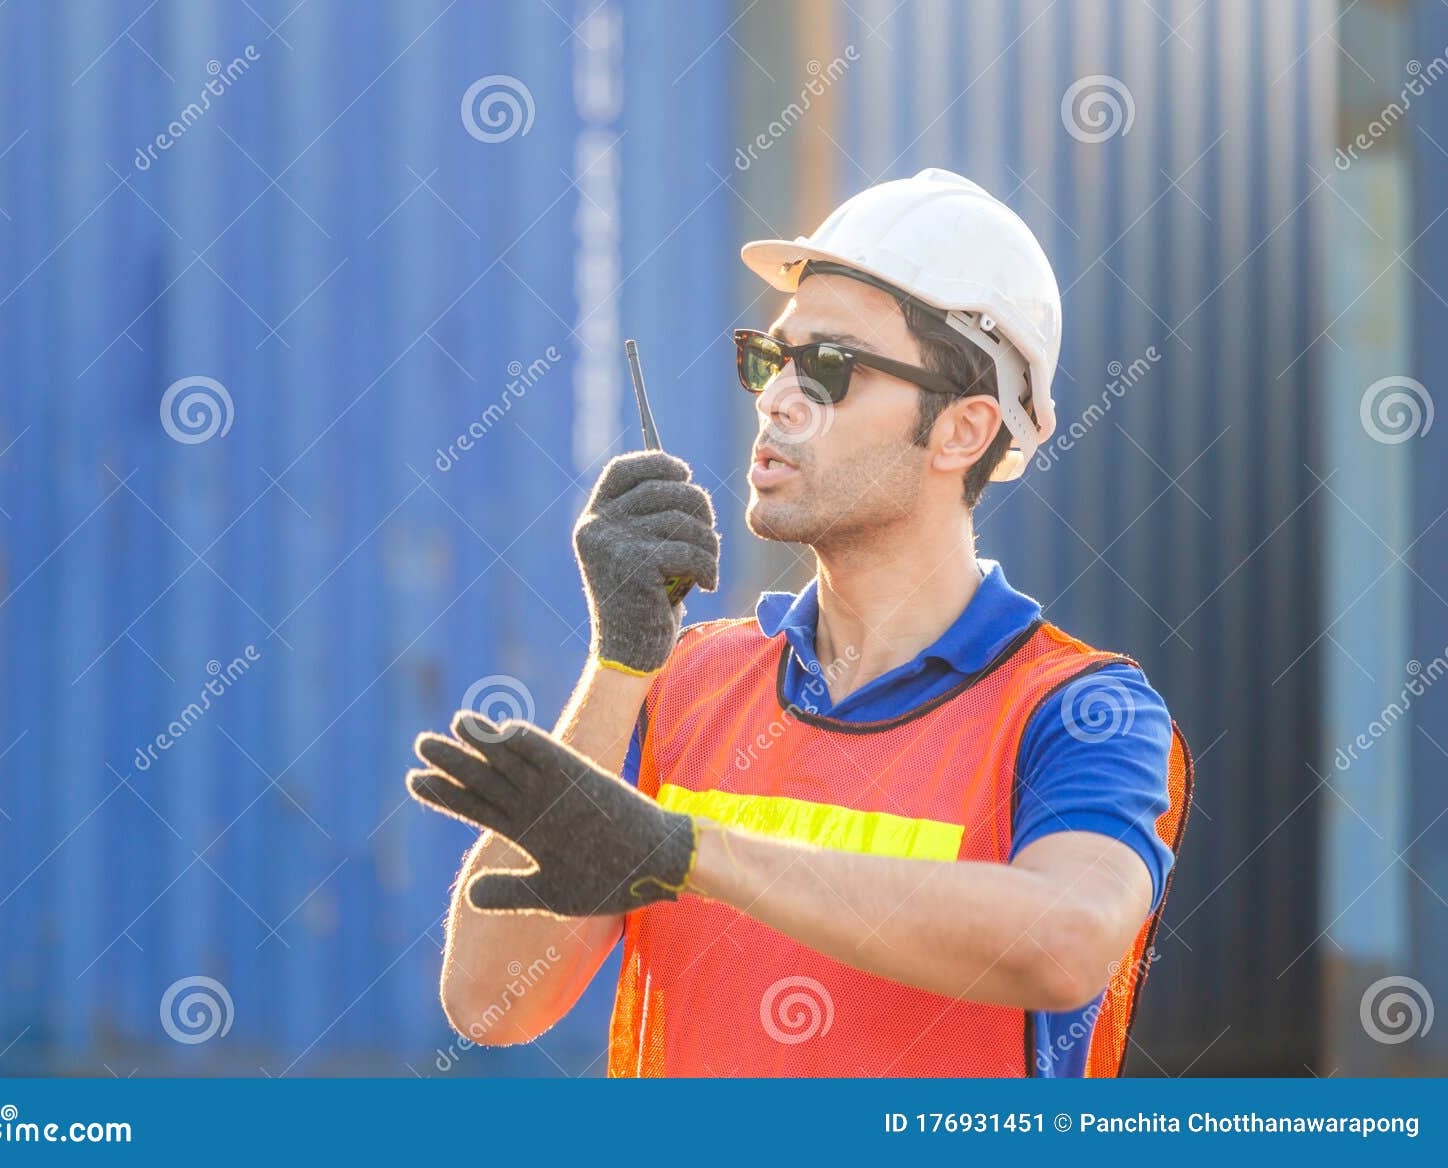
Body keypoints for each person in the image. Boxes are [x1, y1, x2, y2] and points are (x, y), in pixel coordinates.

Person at [407, 168, 1193, 1077]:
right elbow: (489, 1002)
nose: (778, 397)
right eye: (771, 358)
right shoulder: (684, 685)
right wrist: (620, 663)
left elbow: (1064, 943)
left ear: (964, 431)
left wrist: (689, 854)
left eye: (829, 367)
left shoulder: (1078, 712)